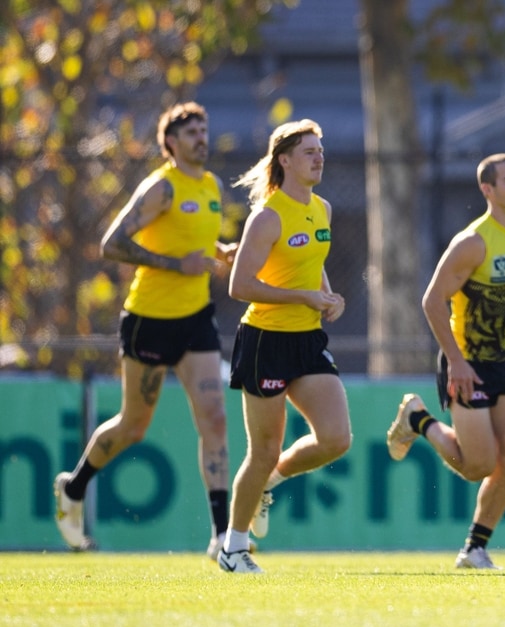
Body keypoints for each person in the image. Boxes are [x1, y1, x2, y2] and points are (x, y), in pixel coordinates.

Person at [54, 102, 239, 560]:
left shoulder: (213, 187)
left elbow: (192, 238)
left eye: (204, 128)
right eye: (191, 131)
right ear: (171, 143)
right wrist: (177, 265)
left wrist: (220, 250)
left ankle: (222, 538)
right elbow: (111, 244)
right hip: (149, 322)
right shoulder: (161, 188)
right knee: (134, 425)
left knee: (215, 420)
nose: (201, 137)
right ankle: (73, 489)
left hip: (196, 318)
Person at [386, 153, 505, 571]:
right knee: (477, 466)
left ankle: (474, 548)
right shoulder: (472, 242)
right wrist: (455, 361)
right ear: (487, 190)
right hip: (466, 361)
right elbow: (432, 301)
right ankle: (418, 419)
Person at [218, 119, 352, 574]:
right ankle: (232, 549)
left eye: (320, 149)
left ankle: (271, 482)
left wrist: (328, 295)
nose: (318, 157)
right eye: (308, 151)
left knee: (336, 439)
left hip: (307, 339)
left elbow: (311, 263)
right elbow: (240, 285)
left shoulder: (323, 209)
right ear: (285, 161)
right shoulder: (268, 216)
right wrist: (303, 297)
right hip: (265, 341)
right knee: (263, 449)